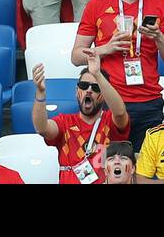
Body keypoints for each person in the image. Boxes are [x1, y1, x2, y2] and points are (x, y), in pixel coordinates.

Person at [72, 0, 164, 150]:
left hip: (149, 101)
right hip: (111, 101)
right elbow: (76, 56)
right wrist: (106, 48)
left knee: (146, 169)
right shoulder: (97, 4)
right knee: (113, 168)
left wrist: (158, 37)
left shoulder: (159, 4)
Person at [32, 54, 130, 184]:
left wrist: (98, 74)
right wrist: (40, 93)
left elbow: (120, 113)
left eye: (95, 87)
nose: (89, 90)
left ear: (104, 94)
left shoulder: (109, 120)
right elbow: (42, 128)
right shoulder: (64, 121)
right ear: (76, 91)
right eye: (84, 85)